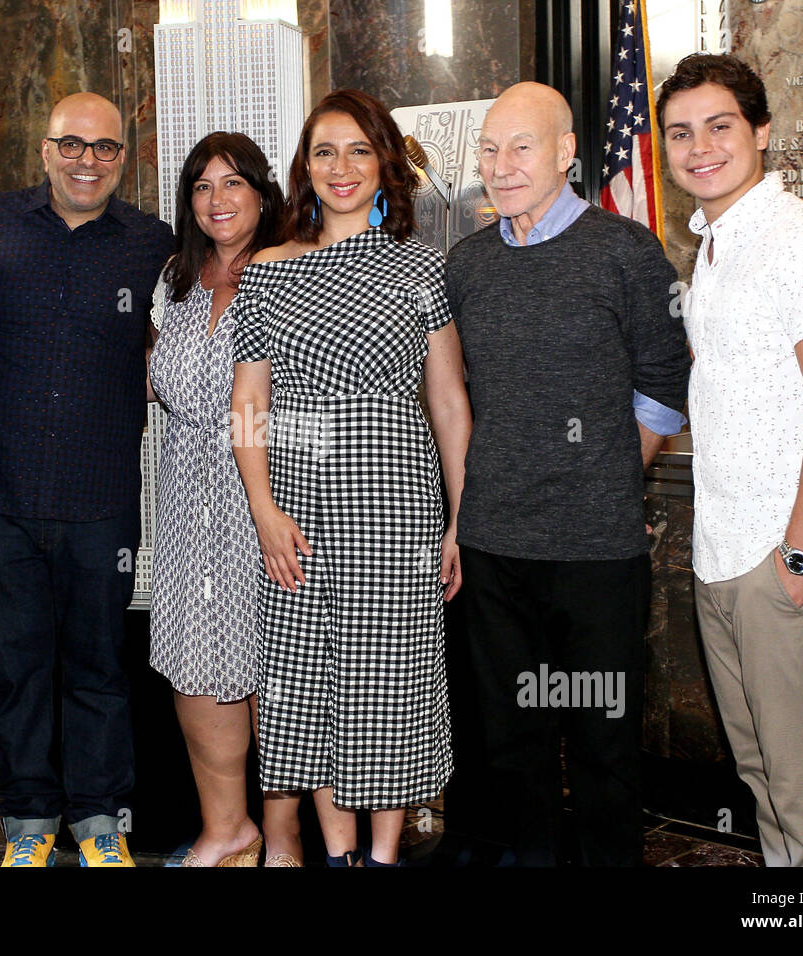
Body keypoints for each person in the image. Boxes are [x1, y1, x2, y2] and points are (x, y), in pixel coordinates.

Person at [445, 81, 691, 866]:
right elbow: (459, 397)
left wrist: (611, 474)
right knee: (510, 745)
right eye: (489, 148)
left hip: (595, 551)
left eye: (522, 146)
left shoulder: (625, 251)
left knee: (602, 746)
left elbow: (664, 382)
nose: (502, 164)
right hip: (494, 549)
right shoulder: (468, 264)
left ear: (565, 152)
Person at [230, 88, 471, 867]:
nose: (341, 168)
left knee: (390, 682)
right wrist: (262, 506)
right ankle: (336, 854)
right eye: (325, 152)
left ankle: (385, 854)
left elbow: (448, 400)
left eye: (359, 150)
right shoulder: (266, 271)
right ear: (304, 167)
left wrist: (458, 519)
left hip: (397, 501)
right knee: (309, 684)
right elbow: (250, 403)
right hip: (297, 506)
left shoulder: (421, 267)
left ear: (384, 166)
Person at [658, 54, 803, 867]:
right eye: (680, 133)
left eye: (720, 126)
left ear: (761, 132)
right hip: (729, 552)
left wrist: (797, 554)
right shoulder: (715, 247)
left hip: (788, 556)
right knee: (768, 779)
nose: (699, 147)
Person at [0, 92, 173, 868]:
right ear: (44, 150)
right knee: (16, 669)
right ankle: (26, 819)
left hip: (101, 498)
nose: (88, 160)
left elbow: (183, 340)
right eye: (72, 145)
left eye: (105, 148)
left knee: (99, 669)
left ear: (126, 157)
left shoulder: (153, 243)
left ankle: (98, 820)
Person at [147, 131, 304, 866]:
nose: (218, 200)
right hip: (185, 500)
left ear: (263, 194)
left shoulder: (292, 272)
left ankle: (282, 837)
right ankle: (224, 827)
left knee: (277, 667)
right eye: (202, 186)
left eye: (234, 183)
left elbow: (313, 405)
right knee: (199, 664)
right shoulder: (174, 281)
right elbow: (157, 385)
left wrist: (287, 493)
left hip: (266, 500)